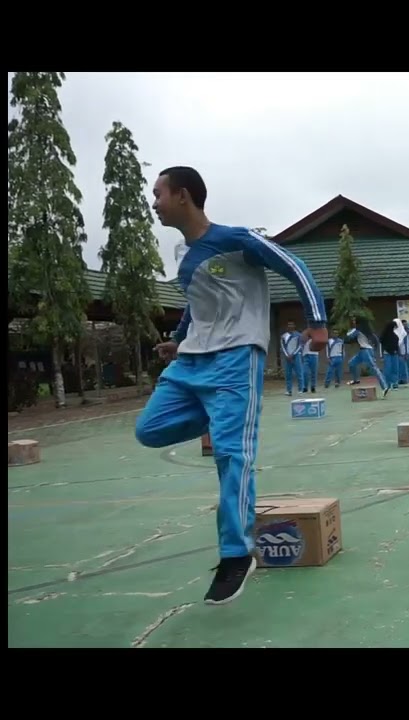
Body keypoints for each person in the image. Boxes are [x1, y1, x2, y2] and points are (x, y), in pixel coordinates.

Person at [134, 166, 327, 606]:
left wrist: (318, 323)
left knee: (231, 454)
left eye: (158, 193)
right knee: (149, 429)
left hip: (236, 358)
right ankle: (229, 418)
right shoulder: (185, 254)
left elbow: (295, 265)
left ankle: (237, 554)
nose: (154, 201)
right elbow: (197, 305)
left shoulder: (237, 239)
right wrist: (177, 341)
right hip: (191, 362)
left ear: (183, 196)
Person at [345, 316, 390, 397]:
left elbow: (349, 337)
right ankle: (356, 380)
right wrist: (374, 349)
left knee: (374, 368)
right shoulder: (367, 330)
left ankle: (385, 386)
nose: (354, 322)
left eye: (355, 321)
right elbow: (376, 340)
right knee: (351, 363)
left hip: (366, 351)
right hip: (363, 351)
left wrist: (348, 332)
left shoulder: (358, 330)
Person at [279, 321, 305, 396]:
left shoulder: (298, 335)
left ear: (294, 326)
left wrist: (293, 354)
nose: (290, 326)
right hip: (287, 357)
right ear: (287, 326)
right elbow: (283, 346)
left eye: (292, 325)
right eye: (289, 325)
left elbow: (300, 345)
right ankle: (289, 390)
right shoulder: (284, 336)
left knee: (299, 373)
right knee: (288, 374)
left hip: (296, 356)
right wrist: (287, 355)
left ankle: (301, 389)